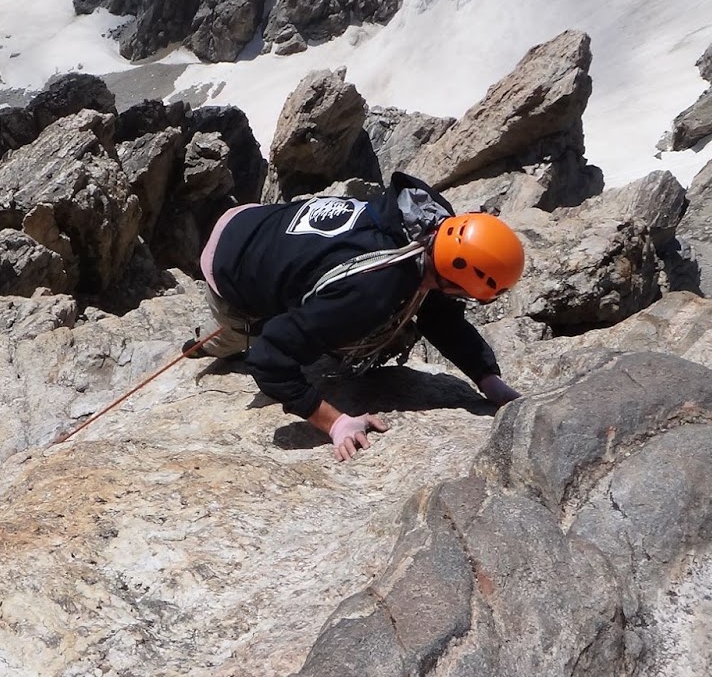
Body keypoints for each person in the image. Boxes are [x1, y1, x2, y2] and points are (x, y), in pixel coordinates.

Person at [190, 172, 525, 462]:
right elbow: (268, 359)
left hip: (256, 222)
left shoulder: (425, 219)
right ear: (451, 279)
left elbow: (440, 315)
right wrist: (335, 422)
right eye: (464, 292)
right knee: (240, 335)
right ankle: (206, 345)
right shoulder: (373, 291)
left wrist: (485, 376)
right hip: (227, 268)